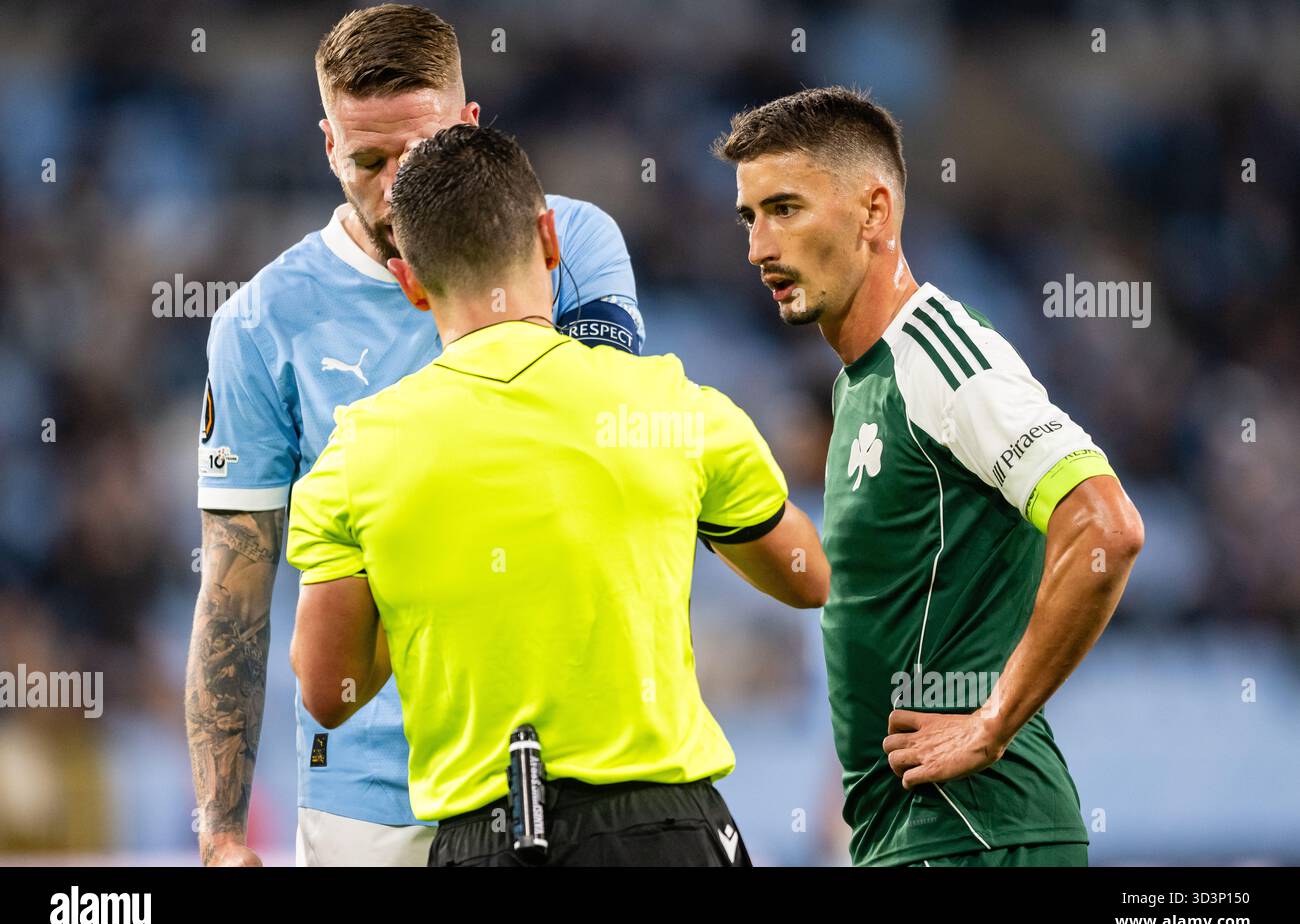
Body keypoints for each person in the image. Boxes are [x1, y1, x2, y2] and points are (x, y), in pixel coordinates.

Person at [287, 125, 829, 867]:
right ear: (550, 239)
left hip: (484, 840)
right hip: (665, 829)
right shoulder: (668, 404)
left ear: (410, 279)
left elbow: (329, 690)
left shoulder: (357, 451)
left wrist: (418, 580)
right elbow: (809, 579)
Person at [185, 4, 644, 867]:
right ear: (327, 145)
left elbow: (599, 456)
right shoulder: (260, 322)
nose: (397, 186)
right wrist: (219, 835)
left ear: (470, 127)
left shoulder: (570, 241)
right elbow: (233, 599)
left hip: (576, 765)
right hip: (368, 794)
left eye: (423, 152)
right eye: (367, 160)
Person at [713, 86, 1144, 867]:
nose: (759, 248)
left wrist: (993, 721)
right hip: (909, 835)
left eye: (784, 209)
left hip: (979, 834)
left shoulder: (941, 357)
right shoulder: (858, 385)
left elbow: (1106, 529)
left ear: (874, 212)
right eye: (750, 218)